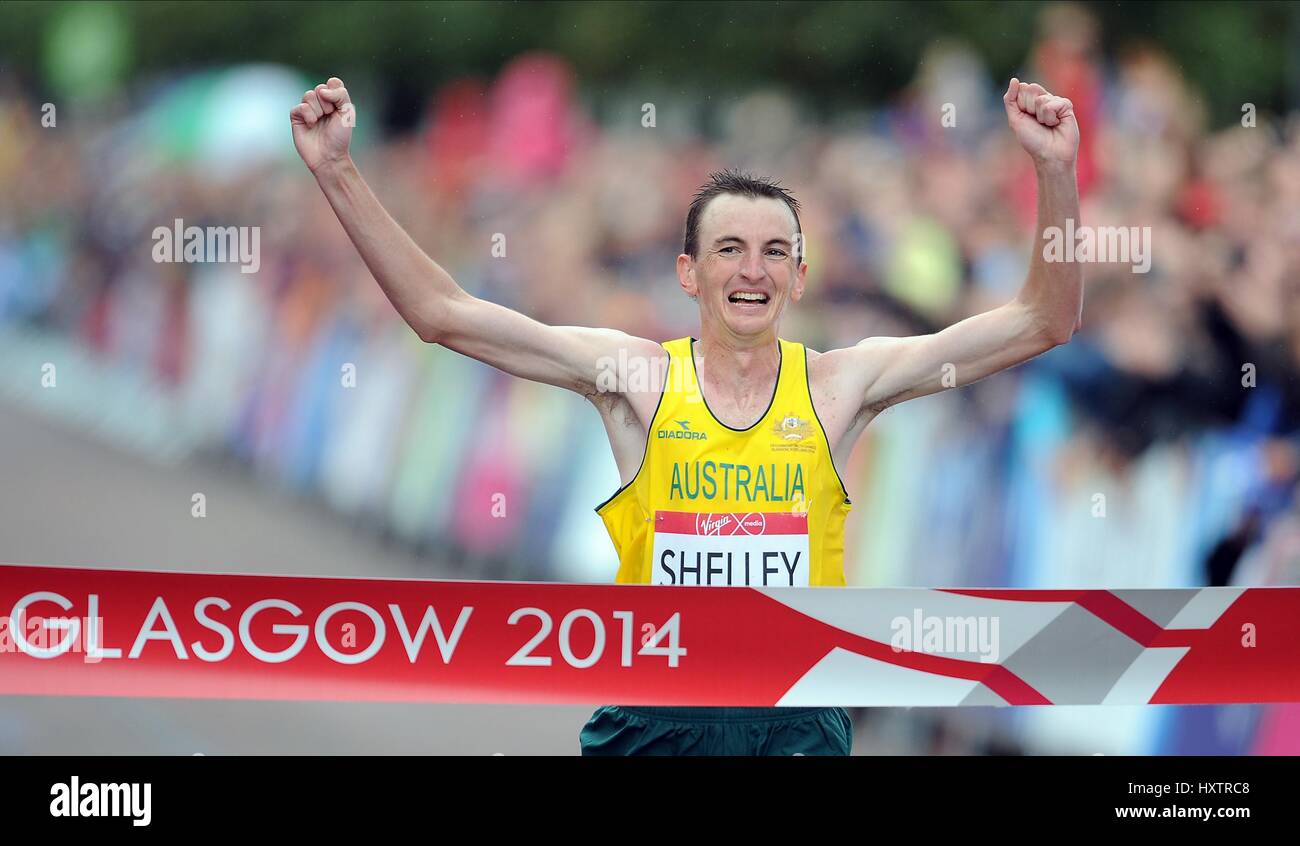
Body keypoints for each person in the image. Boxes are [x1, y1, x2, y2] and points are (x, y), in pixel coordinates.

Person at [290, 75, 1083, 755]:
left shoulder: (844, 385)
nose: (752, 270)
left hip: (795, 724)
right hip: (655, 722)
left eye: (776, 252)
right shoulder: (632, 377)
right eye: (729, 249)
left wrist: (1055, 171)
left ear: (800, 277)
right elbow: (442, 313)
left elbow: (1042, 321)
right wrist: (337, 172)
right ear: (688, 272)